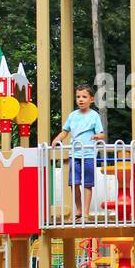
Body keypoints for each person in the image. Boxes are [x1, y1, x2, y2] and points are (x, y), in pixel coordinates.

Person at [53, 84, 105, 222]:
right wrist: (57, 140)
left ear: (91, 99)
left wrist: (96, 137)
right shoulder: (73, 116)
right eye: (78, 97)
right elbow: (65, 131)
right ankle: (79, 210)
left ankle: (86, 214)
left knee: (87, 184)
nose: (80, 100)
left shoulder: (94, 116)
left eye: (84, 97)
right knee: (74, 183)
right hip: (74, 154)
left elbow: (101, 134)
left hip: (88, 154)